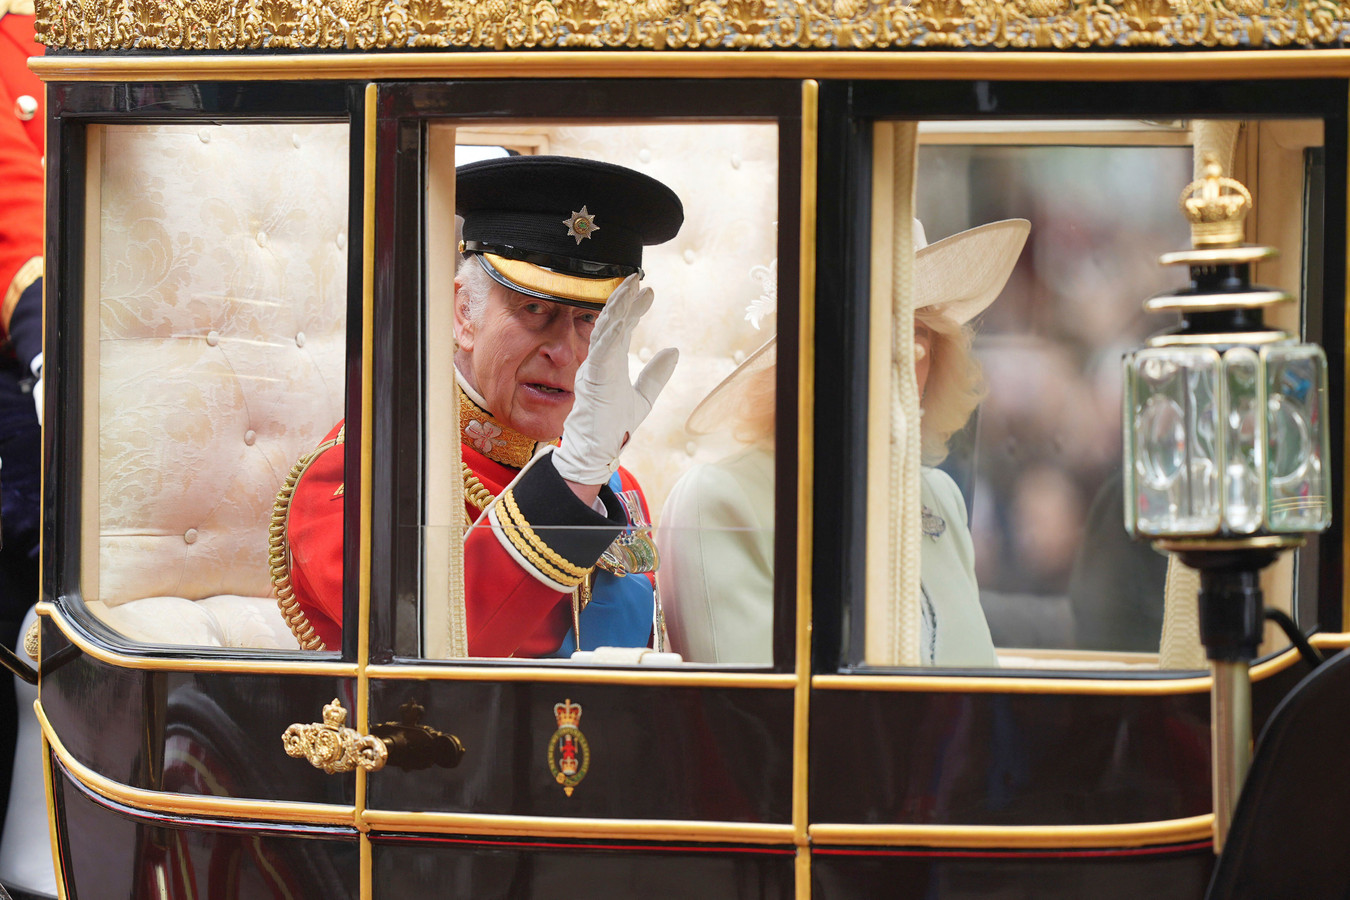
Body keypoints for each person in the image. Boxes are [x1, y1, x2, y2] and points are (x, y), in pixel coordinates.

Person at [276, 155, 683, 658]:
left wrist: (585, 473)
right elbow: (436, 650)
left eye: (589, 320)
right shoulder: (361, 474)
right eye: (535, 309)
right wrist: (574, 481)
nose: (566, 351)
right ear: (463, 315)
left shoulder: (613, 489)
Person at [657, 218, 1029, 666]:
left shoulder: (940, 497)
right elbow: (756, 718)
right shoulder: (720, 499)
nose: (900, 362)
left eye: (917, 337)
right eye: (871, 335)